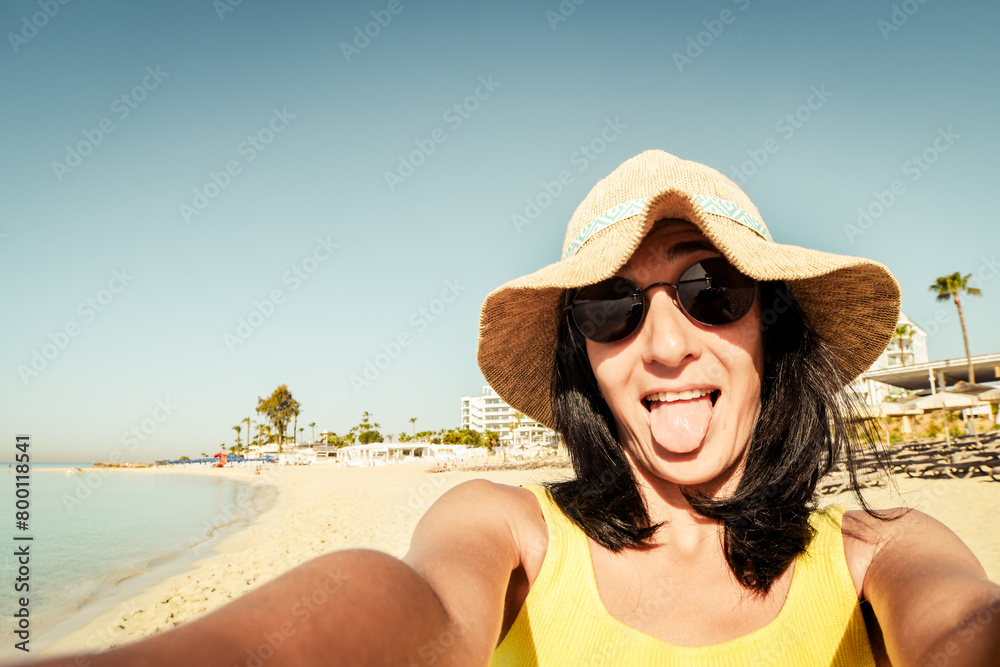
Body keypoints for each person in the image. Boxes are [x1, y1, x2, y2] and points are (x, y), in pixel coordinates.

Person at [26, 151, 1000, 666]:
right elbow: (405, 613)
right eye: (612, 306)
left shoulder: (886, 550)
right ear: (583, 355)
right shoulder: (506, 534)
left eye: (711, 291)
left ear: (771, 330)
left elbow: (962, 628)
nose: (663, 343)